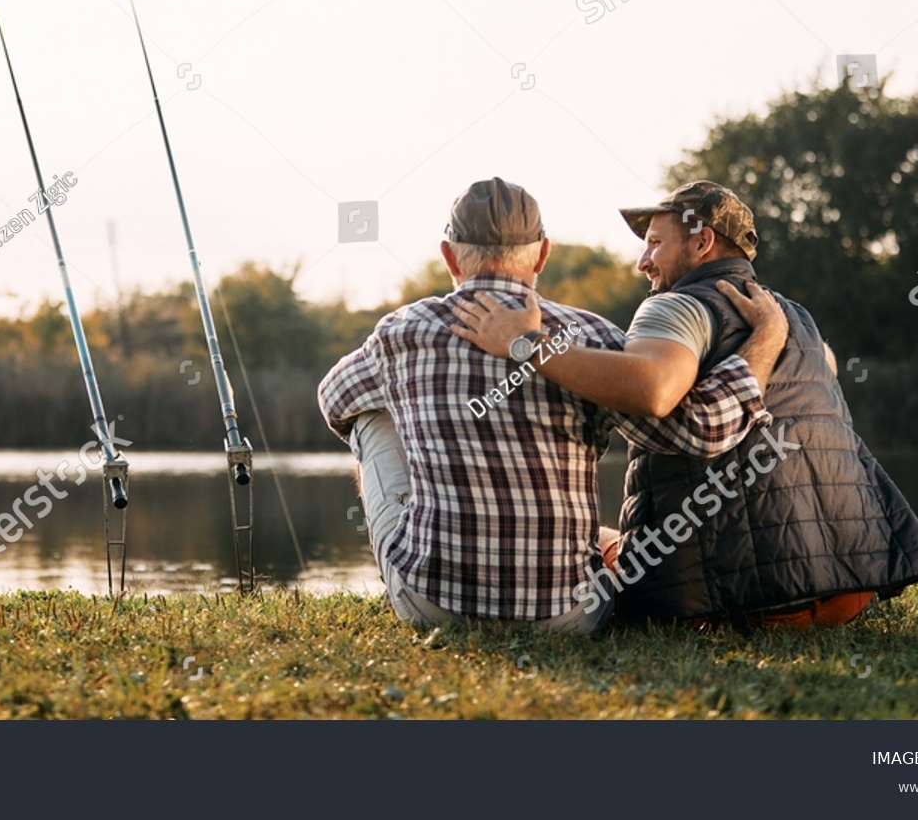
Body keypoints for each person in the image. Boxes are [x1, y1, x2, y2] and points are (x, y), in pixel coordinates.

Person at [453, 180, 918, 627]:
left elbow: (652, 392)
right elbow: (822, 373)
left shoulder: (674, 306)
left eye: (655, 244)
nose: (643, 262)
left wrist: (528, 345)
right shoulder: (797, 320)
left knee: (593, 543)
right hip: (846, 594)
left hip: (730, 604)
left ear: (702, 242)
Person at [317, 177, 789, 632]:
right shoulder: (594, 337)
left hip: (431, 605)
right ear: (543, 252)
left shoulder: (399, 332)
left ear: (448, 256)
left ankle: (434, 548)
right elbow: (696, 432)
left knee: (368, 411)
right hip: (570, 616)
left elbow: (334, 400)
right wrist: (766, 341)